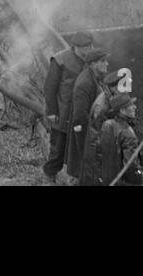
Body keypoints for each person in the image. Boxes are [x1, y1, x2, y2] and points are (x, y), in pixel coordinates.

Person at [41, 30, 94, 183]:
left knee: (79, 151)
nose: (87, 51)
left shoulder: (91, 61)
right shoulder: (59, 61)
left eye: (89, 46)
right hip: (62, 115)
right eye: (84, 47)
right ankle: (49, 175)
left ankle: (76, 178)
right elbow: (50, 89)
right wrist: (51, 112)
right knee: (58, 151)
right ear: (74, 47)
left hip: (81, 115)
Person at [66, 48, 110, 182]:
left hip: (94, 130)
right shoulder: (84, 84)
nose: (107, 64)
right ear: (92, 64)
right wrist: (88, 139)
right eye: (103, 61)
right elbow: (79, 116)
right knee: (86, 169)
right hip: (87, 133)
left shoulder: (95, 78)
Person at [78, 68, 123, 186]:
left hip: (101, 147)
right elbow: (99, 133)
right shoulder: (102, 106)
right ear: (113, 87)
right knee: (96, 178)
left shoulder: (109, 98)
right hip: (97, 149)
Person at [99, 96, 143, 186]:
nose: (135, 107)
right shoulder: (127, 133)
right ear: (122, 110)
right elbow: (131, 168)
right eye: (131, 105)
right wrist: (142, 176)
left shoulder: (107, 125)